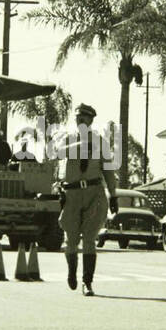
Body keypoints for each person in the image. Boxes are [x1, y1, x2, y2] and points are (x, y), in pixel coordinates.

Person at [55, 103, 118, 296]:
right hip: (72, 194)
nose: (80, 120)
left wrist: (113, 195)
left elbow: (108, 171)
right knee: (71, 240)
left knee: (90, 239)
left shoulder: (101, 142)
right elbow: (58, 153)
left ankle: (87, 282)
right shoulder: (67, 139)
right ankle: (72, 273)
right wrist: (83, 145)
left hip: (93, 192)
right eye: (77, 118)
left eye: (84, 118)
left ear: (91, 121)